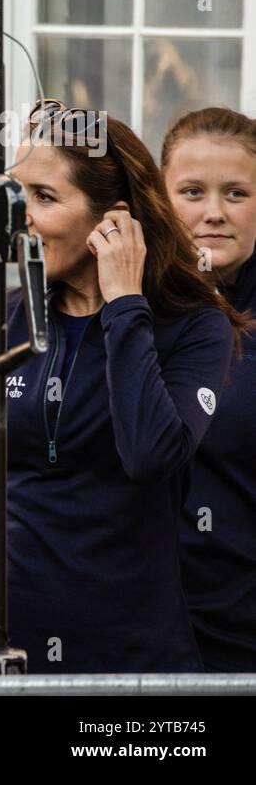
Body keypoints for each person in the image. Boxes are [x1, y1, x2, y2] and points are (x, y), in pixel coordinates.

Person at [0, 101, 245, 676]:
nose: (20, 217)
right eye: (16, 195)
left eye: (45, 199)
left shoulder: (193, 327)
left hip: (133, 666)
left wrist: (125, 304)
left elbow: (152, 454)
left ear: (114, 221)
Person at [162, 106, 256, 672]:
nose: (213, 213)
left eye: (237, 194)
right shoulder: (121, 309)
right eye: (192, 191)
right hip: (132, 637)